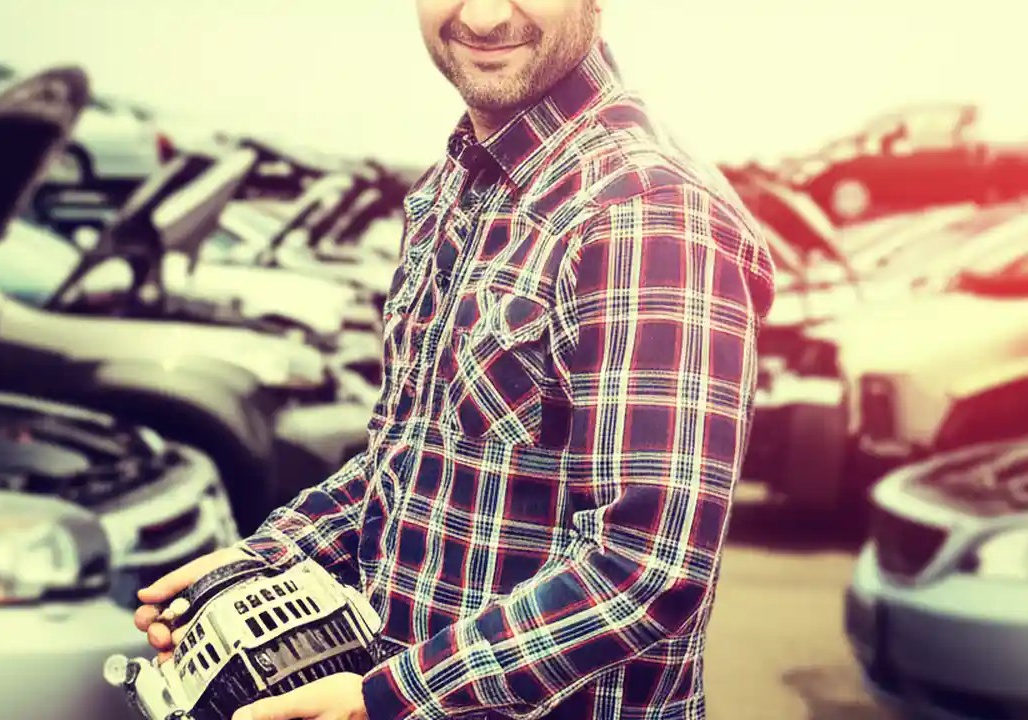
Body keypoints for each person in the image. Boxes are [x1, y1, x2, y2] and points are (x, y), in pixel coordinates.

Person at [134, 1, 776, 718]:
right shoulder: (445, 191)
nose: (484, 15)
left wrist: (387, 700)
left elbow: (645, 566)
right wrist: (263, 561)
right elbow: (408, 467)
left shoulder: (647, 210)